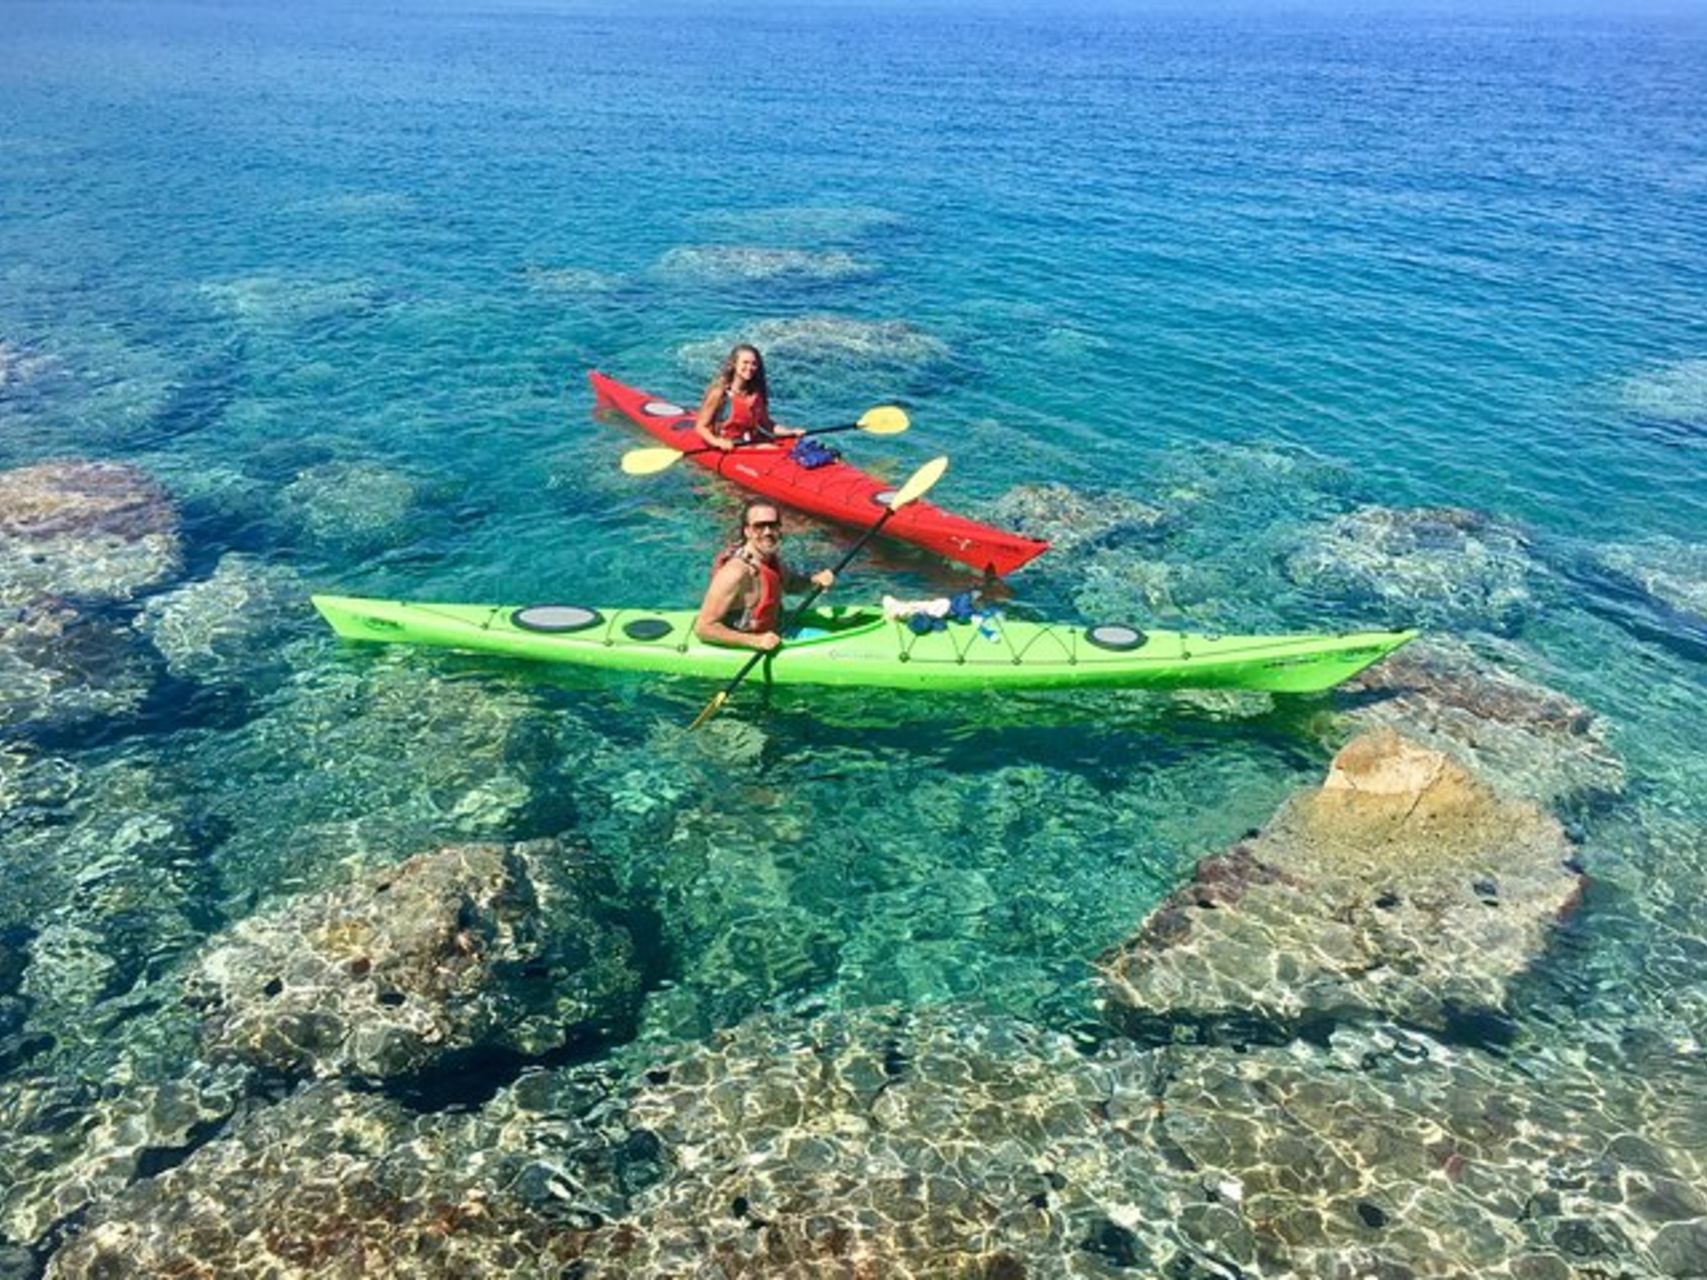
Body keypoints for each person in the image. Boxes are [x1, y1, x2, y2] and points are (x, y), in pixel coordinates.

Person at [695, 500, 834, 652]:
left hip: (777, 631)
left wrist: (815, 581)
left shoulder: (770, 560)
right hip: (749, 644)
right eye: (759, 526)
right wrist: (755, 641)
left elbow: (792, 584)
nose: (768, 532)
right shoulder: (735, 572)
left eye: (772, 525)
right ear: (747, 531)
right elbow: (703, 628)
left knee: (834, 634)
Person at [693, 344, 804, 453]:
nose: (750, 368)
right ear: (734, 364)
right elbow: (700, 426)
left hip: (747, 442)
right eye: (745, 363)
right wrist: (717, 442)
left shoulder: (755, 394)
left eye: (754, 364)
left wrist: (791, 432)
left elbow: (767, 424)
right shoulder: (719, 393)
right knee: (770, 449)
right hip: (728, 444)